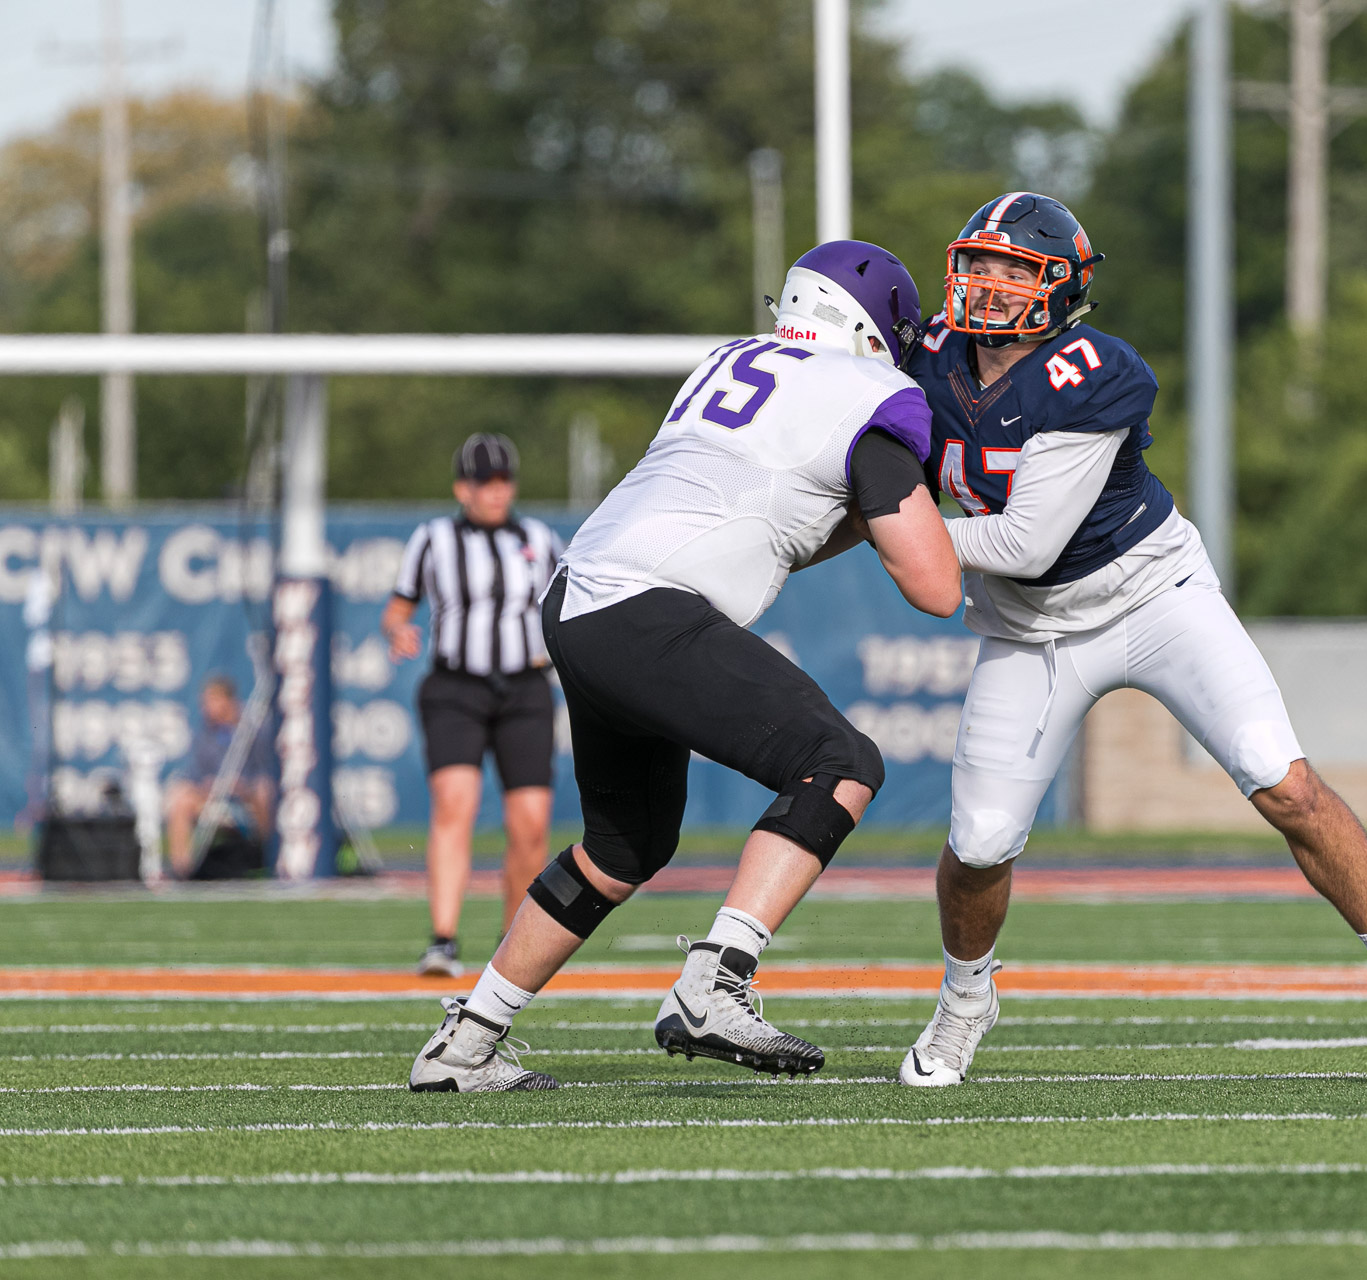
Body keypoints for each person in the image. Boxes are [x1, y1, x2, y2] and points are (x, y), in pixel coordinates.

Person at [895, 193, 1367, 1088]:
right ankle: (967, 998)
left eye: (1015, 268)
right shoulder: (922, 355)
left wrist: (887, 530)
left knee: (1283, 780)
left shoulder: (1093, 371)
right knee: (979, 844)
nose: (989, 283)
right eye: (979, 263)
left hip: (1152, 595)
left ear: (1060, 288)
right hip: (1031, 629)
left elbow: (1022, 545)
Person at [407, 239, 960, 1092]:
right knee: (842, 762)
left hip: (579, 598)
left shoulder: (728, 361)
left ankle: (464, 1042)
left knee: (623, 847)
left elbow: (773, 518)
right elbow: (934, 586)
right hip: (647, 608)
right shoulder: (873, 394)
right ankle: (718, 979)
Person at [383, 434, 560, 978]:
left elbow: (567, 604)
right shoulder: (433, 539)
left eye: (504, 481)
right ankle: (443, 940)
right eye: (486, 482)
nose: (497, 492)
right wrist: (398, 631)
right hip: (456, 688)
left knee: (530, 822)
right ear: (464, 488)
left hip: (526, 688)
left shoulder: (540, 538)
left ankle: (512, 948)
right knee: (454, 804)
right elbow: (398, 607)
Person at [164, 673, 272, 877]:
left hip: (247, 799)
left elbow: (265, 771)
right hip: (214, 799)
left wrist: (241, 786)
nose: (206, 708)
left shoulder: (253, 730)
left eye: (212, 701)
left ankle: (273, 855)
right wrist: (209, 785)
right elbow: (195, 775)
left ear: (228, 701)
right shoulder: (205, 734)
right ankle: (182, 870)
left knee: (264, 791)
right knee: (181, 800)